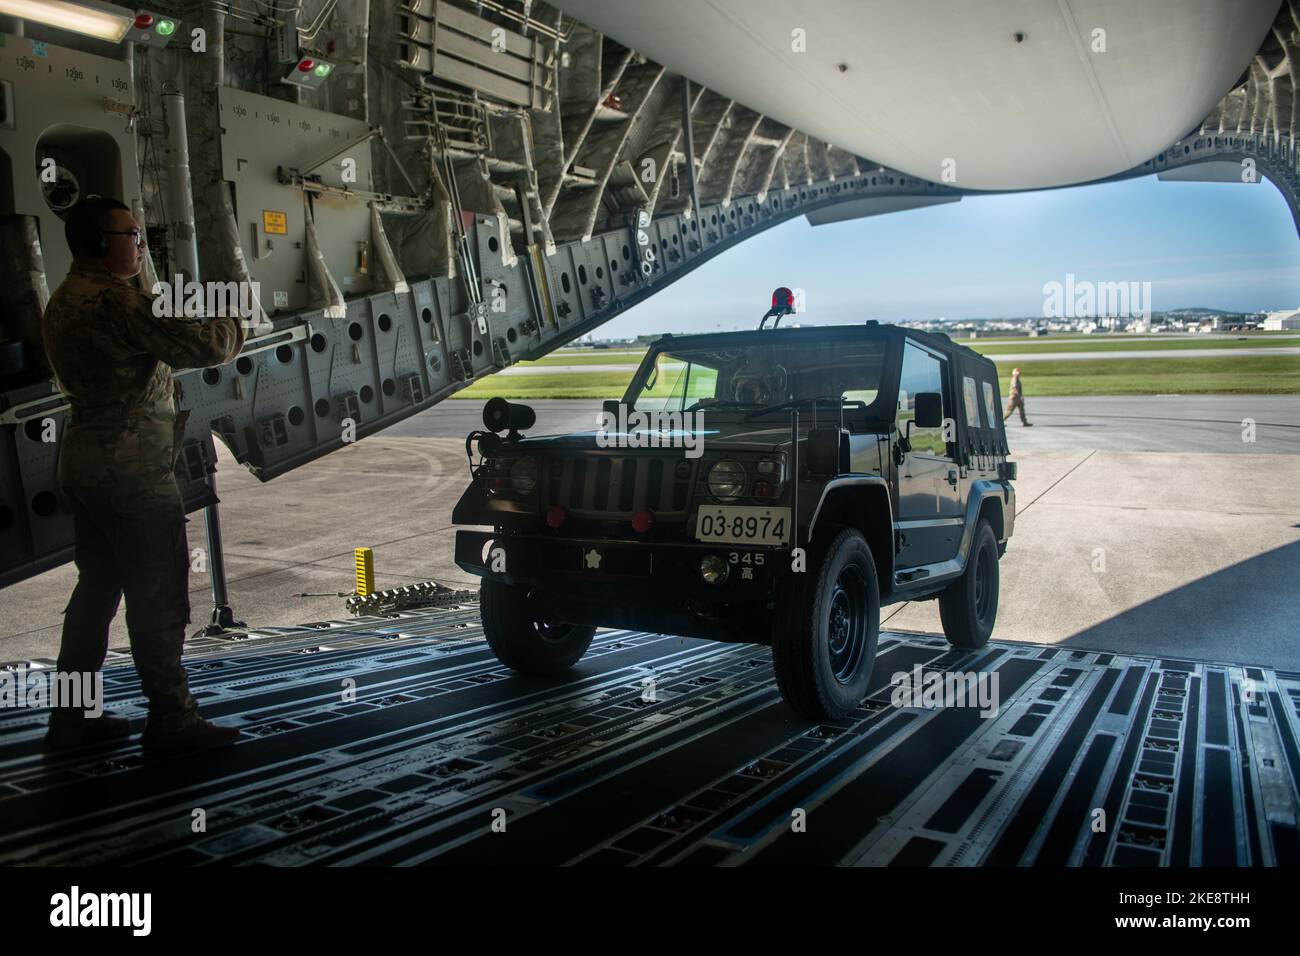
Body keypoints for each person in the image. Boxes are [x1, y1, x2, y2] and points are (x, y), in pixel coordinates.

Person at [39, 197, 247, 751]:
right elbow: (206, 345)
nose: (139, 243)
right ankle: (172, 722)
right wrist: (232, 309)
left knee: (95, 594)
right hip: (130, 471)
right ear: (102, 244)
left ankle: (72, 716)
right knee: (157, 596)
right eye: (131, 234)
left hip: (86, 463)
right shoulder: (115, 301)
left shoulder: (65, 299)